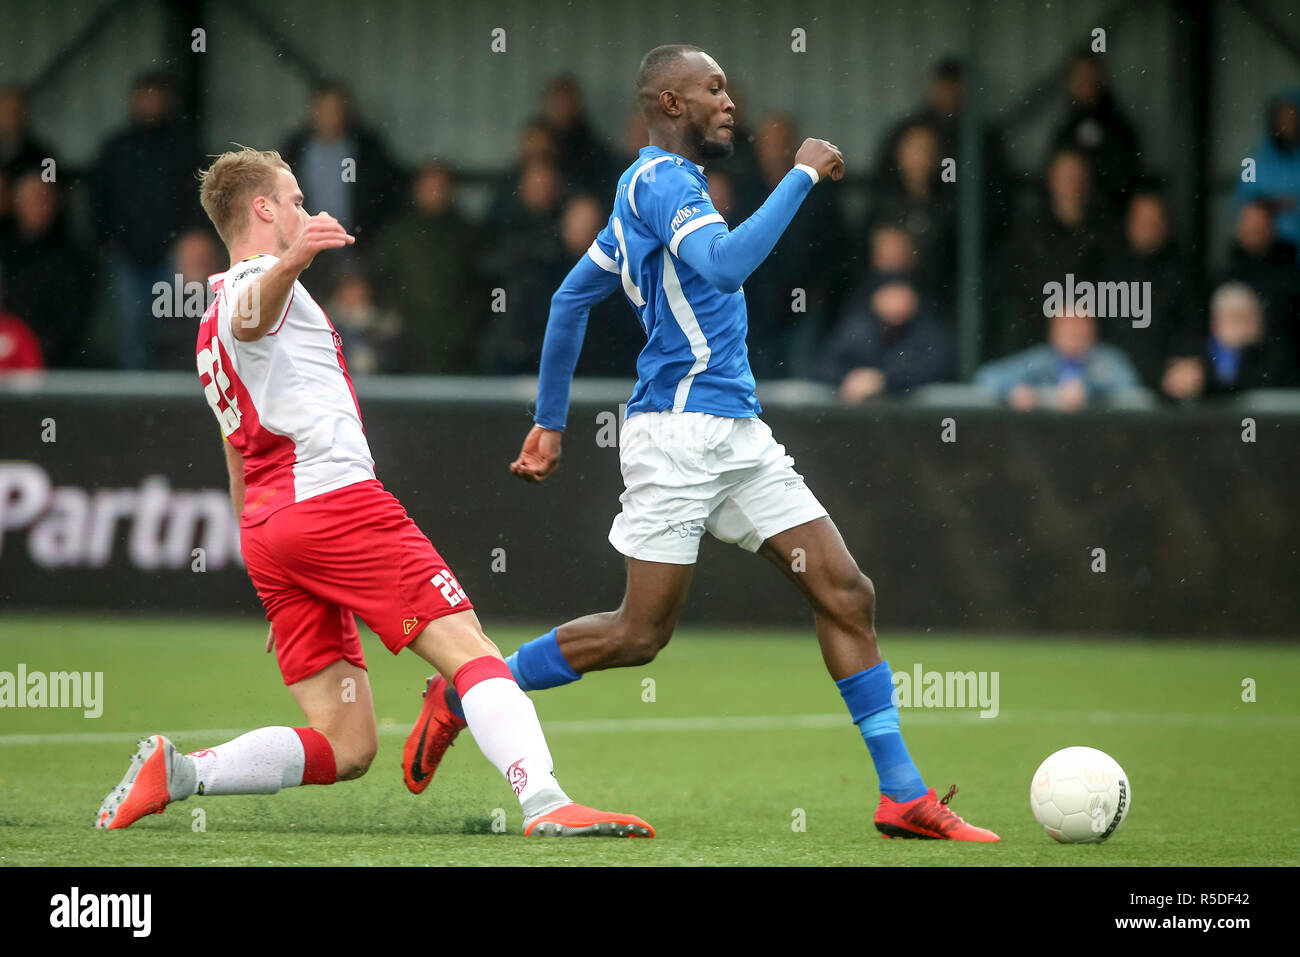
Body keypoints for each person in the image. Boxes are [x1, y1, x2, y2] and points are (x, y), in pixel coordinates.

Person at [404, 45, 999, 843]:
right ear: (670, 103)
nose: (729, 102)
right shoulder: (663, 183)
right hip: (678, 437)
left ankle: (902, 793)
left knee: (846, 591)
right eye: (713, 89)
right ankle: (466, 693)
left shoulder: (639, 194)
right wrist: (802, 173)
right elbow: (725, 266)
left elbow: (570, 299)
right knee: (638, 634)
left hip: (737, 434)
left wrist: (549, 423)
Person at [94, 147, 651, 840]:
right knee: (471, 651)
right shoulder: (256, 283)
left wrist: (271, 561)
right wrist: (298, 258)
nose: (304, 210)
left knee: (346, 740)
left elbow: (235, 444)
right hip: (335, 504)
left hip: (274, 529)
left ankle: (183, 772)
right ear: (263, 209)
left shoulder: (207, 329)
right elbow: (252, 310)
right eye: (294, 199)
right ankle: (545, 801)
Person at [812, 277, 954, 401]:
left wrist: (883, 380)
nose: (897, 304)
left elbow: (940, 370)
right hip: (858, 416)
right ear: (875, 298)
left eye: (902, 296)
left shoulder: (928, 331)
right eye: (890, 296)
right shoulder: (856, 330)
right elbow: (823, 367)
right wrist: (849, 379)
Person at [975, 308, 1141, 411]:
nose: (1073, 333)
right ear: (1053, 332)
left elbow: (1130, 386)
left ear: (1092, 330)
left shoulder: (1106, 359)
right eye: (1066, 326)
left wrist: (1088, 388)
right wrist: (1014, 389)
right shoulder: (1041, 359)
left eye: (1078, 325)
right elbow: (987, 376)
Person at [1162, 282, 1295, 400]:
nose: (1242, 327)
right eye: (1235, 318)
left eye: (1248, 318)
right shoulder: (1190, 351)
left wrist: (1204, 384)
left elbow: (1246, 386)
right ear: (1215, 323)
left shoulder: (1275, 355)